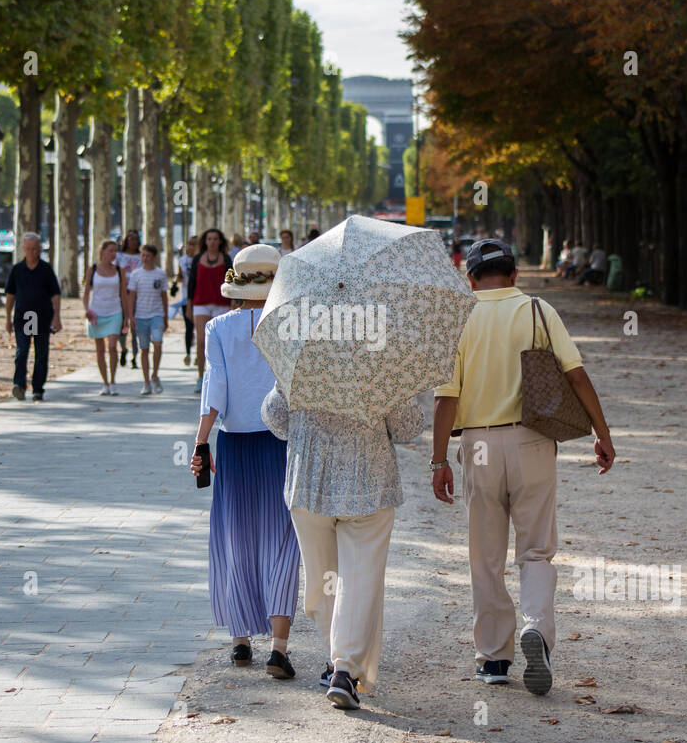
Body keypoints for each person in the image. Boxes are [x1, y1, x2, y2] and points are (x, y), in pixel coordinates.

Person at [430, 239, 614, 696]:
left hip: (478, 446)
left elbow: (445, 398)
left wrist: (437, 461)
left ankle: (494, 658)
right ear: (514, 275)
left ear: (469, 278)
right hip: (533, 439)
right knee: (535, 551)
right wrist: (601, 433)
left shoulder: (458, 318)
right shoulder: (537, 310)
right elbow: (575, 374)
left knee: (485, 557)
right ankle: (537, 629)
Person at [262, 385, 424, 711]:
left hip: (309, 483)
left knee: (325, 580)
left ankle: (336, 660)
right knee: (359, 579)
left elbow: (275, 419)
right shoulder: (381, 360)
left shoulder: (303, 352)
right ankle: (344, 669)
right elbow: (408, 426)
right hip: (367, 484)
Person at [189, 245, 300, 677]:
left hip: (233, 444)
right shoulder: (291, 326)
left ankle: (239, 642)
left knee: (235, 538)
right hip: (281, 442)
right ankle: (279, 646)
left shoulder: (217, 327)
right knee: (282, 539)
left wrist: (201, 443)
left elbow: (214, 387)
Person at [4, 232, 62, 402]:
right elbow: (10, 295)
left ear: (39, 249)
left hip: (42, 316)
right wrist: (7, 318)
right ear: (23, 249)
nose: (31, 252)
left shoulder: (46, 269)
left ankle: (38, 388)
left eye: (34, 249)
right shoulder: (17, 270)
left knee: (41, 354)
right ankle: (19, 384)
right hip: (24, 317)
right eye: (28, 249)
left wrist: (57, 317)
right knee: (22, 351)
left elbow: (56, 294)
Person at [187, 229, 232, 394]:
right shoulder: (198, 259)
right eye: (209, 239)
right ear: (204, 241)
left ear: (220, 241)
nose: (212, 242)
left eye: (215, 239)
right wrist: (189, 303)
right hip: (201, 303)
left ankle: (222, 378)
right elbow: (192, 281)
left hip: (221, 303)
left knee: (220, 343)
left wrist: (234, 301)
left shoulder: (226, 259)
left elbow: (231, 281)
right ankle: (200, 377)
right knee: (201, 341)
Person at [81, 239, 129, 395]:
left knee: (112, 347)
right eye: (111, 251)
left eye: (115, 251)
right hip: (97, 313)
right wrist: (87, 309)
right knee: (100, 350)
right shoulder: (92, 269)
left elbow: (124, 294)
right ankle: (105, 383)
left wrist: (127, 317)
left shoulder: (119, 271)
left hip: (114, 311)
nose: (114, 254)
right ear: (102, 251)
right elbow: (87, 292)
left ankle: (113, 380)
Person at [127, 244, 169, 395]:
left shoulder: (160, 274)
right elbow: (131, 296)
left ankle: (155, 375)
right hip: (140, 316)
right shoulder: (135, 274)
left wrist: (165, 316)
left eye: (148, 256)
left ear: (154, 257)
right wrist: (130, 315)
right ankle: (146, 382)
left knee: (157, 344)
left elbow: (164, 296)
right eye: (143, 255)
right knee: (144, 349)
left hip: (156, 315)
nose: (145, 258)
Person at [116, 230, 142, 369]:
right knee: (122, 325)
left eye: (136, 238)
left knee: (135, 325)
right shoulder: (119, 256)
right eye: (130, 238)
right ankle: (123, 349)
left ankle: (135, 355)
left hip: (137, 295)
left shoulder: (141, 256)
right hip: (121, 294)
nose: (133, 241)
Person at [170, 236, 198, 366]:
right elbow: (180, 278)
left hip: (200, 298)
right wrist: (176, 283)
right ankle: (187, 353)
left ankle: (199, 354)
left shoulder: (202, 260)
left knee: (200, 328)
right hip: (186, 298)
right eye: (189, 244)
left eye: (194, 244)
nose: (191, 247)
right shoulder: (182, 260)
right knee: (189, 327)